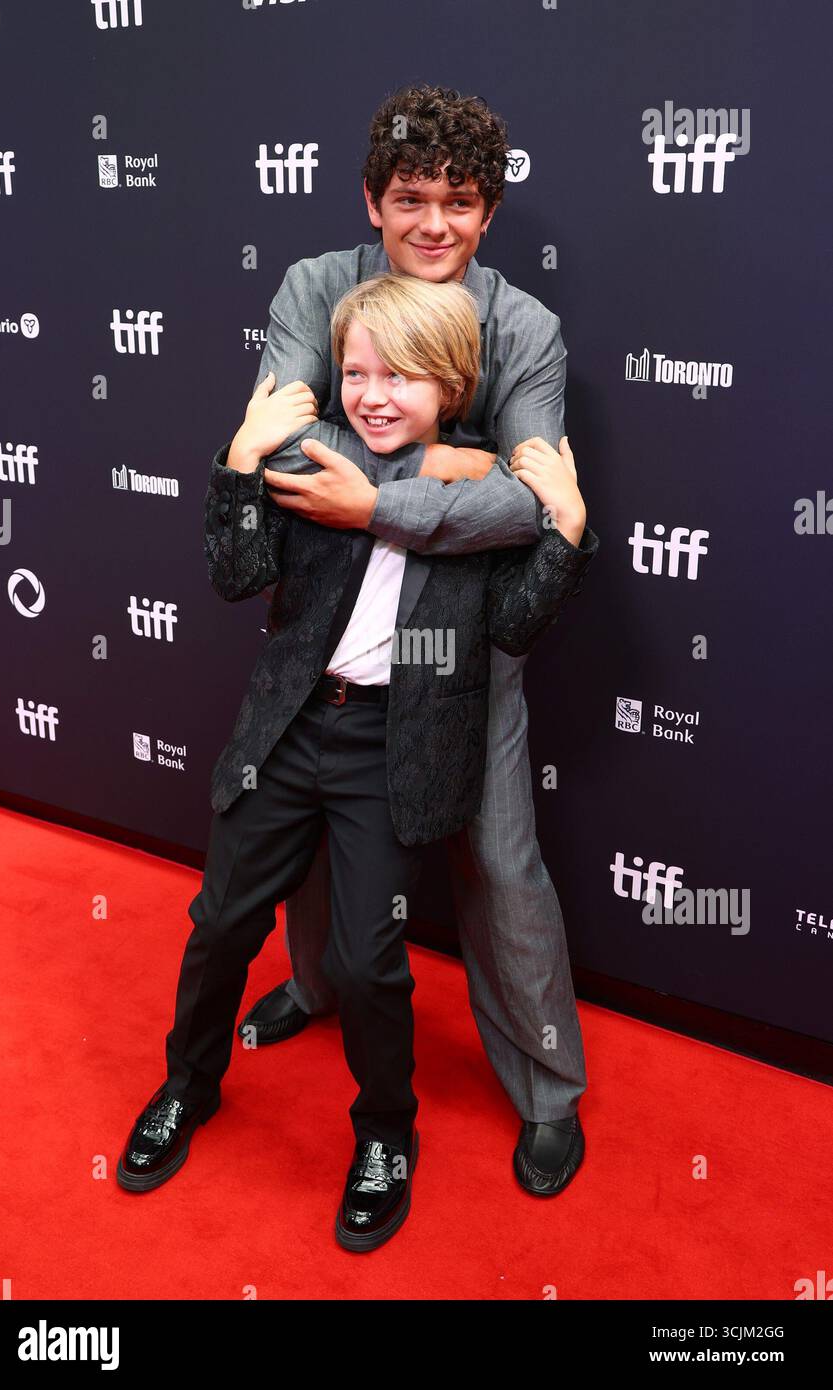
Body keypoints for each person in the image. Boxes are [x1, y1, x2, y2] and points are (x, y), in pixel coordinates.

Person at [116, 270, 598, 1253]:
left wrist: (565, 532)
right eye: (355, 372)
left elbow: (509, 624)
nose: (374, 392)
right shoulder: (312, 465)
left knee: (370, 961)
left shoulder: (476, 497)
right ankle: (185, 1085)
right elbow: (235, 573)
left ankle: (385, 1136)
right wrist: (239, 460)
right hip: (288, 732)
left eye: (405, 377)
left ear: (453, 389)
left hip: (390, 748)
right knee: (218, 925)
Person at [238, 82, 594, 1196]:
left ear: (487, 211)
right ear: (370, 201)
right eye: (409, 198)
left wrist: (383, 495)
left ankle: (546, 1089)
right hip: (327, 629)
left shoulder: (524, 326)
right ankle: (320, 983)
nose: (431, 223)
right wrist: (459, 461)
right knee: (300, 833)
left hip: (465, 640)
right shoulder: (313, 288)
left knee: (495, 858)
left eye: (457, 200)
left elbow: (537, 508)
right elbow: (282, 459)